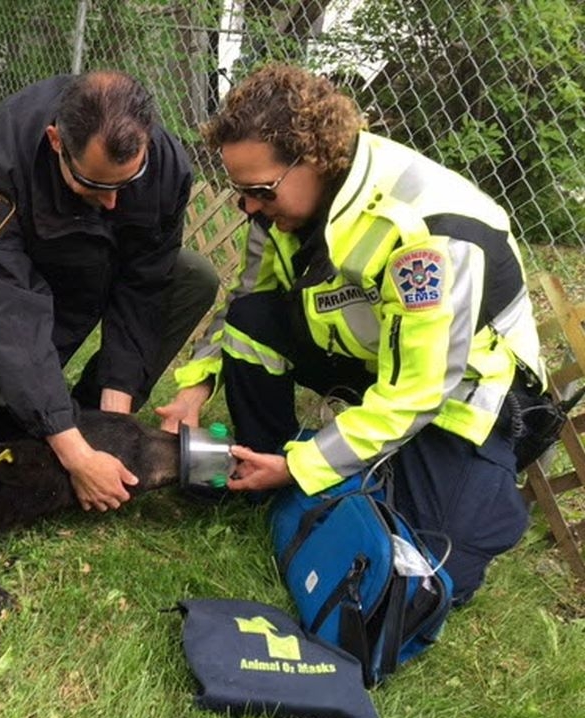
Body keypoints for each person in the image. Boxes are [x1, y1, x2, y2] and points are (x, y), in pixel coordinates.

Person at [157, 64, 546, 604]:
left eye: (261, 191)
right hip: (370, 358)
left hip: (464, 397)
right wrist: (195, 387)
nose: (249, 207)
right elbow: (245, 302)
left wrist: (303, 466)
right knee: (253, 320)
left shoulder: (431, 234)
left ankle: (452, 484)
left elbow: (418, 391)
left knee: (437, 569)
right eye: (239, 192)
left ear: (314, 159)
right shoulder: (281, 212)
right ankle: (261, 466)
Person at [0, 72, 219, 513]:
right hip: (20, 280)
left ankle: (87, 407)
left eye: (125, 184)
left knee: (193, 275)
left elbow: (143, 287)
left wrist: (114, 418)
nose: (111, 204)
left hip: (97, 269)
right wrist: (75, 453)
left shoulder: (167, 167)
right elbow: (11, 309)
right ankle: (53, 414)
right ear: (56, 142)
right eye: (95, 186)